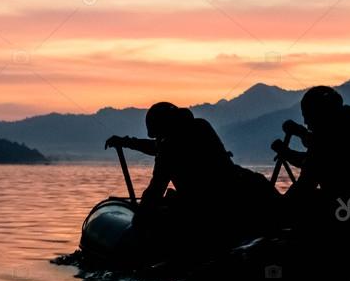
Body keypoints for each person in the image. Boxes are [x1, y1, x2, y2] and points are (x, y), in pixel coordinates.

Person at [106, 102, 278, 246]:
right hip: (243, 189)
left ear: (163, 130)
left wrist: (139, 220)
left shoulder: (169, 147)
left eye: (158, 135)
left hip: (206, 209)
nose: (158, 140)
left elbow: (155, 189)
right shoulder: (200, 127)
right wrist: (127, 142)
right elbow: (159, 146)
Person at [271, 86, 350, 234]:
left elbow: (308, 180)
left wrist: (276, 213)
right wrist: (296, 140)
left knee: (306, 200)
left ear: (320, 114)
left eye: (307, 115)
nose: (305, 121)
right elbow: (323, 155)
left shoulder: (326, 138)